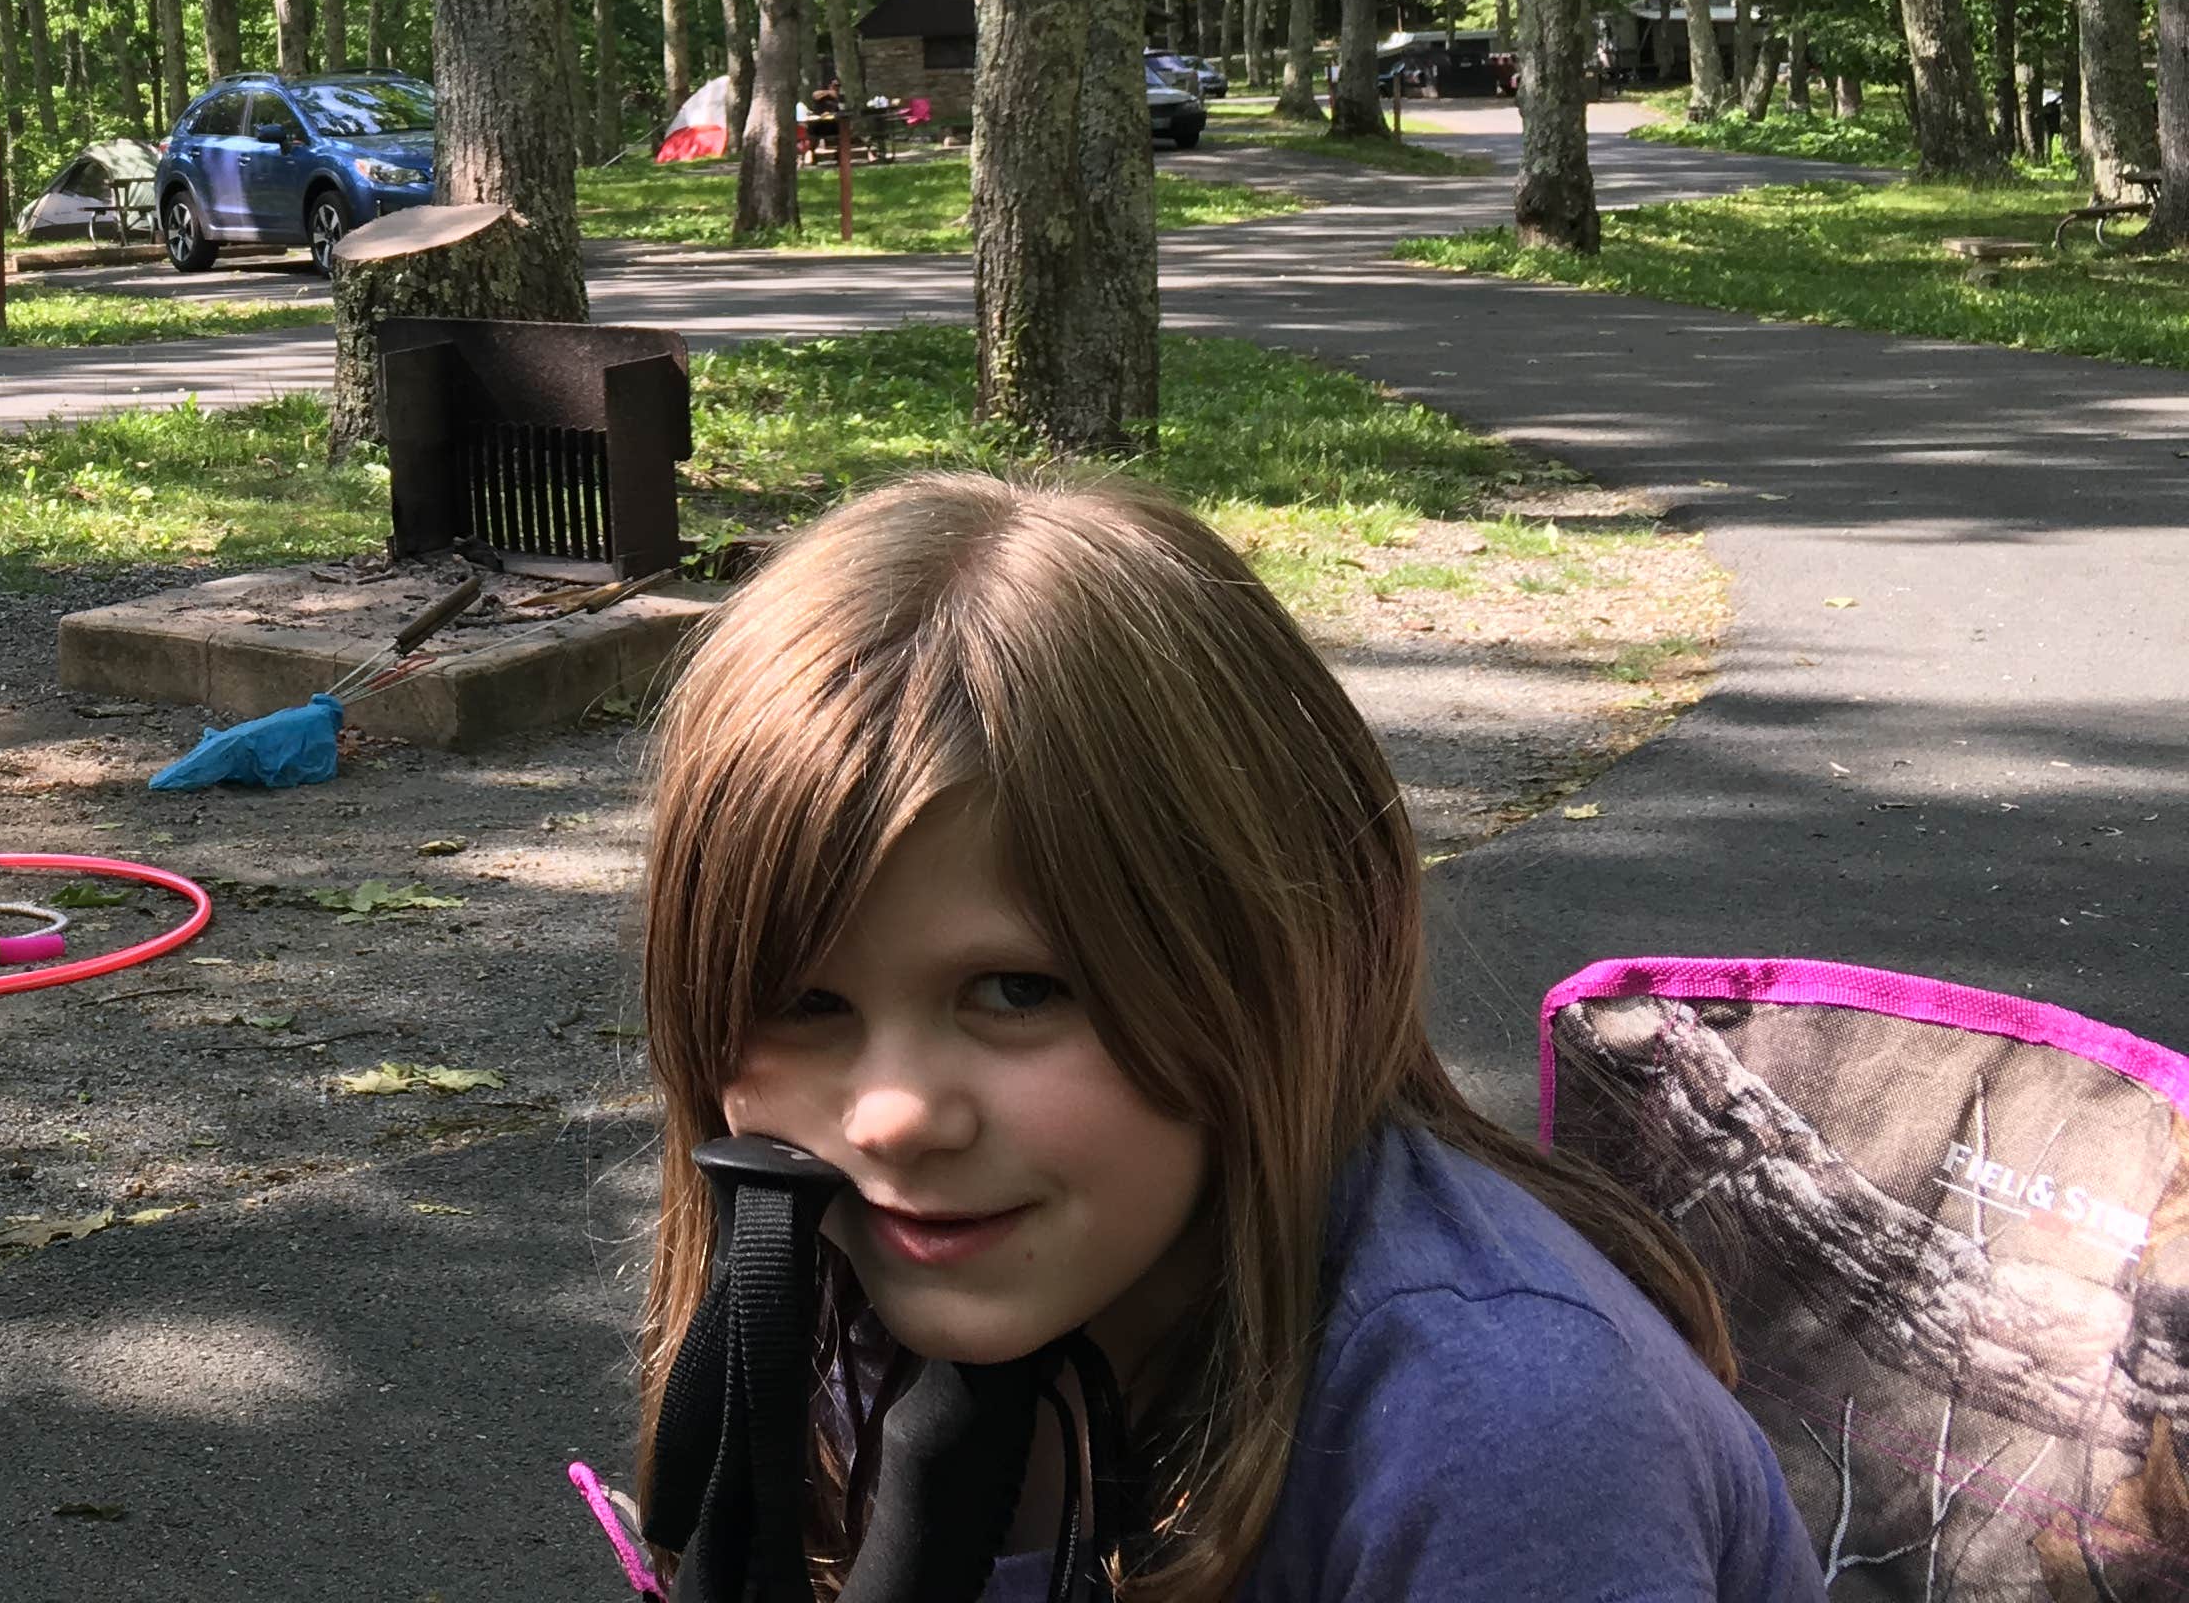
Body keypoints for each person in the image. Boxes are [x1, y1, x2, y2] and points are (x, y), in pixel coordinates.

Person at [633, 476, 1819, 1602]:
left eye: (1018, 991)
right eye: (805, 1002)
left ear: (1282, 955)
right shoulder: (847, 1303)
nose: (890, 1115)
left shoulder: (1504, 1430)